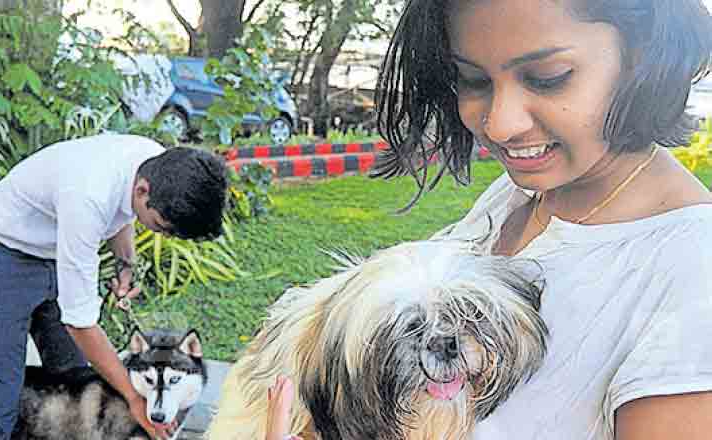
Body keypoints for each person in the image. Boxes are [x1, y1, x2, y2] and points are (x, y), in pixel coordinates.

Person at [266, 0, 712, 439]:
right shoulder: (522, 194)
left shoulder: (693, 271)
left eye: (547, 78)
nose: (500, 125)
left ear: (642, 58)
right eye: (473, 80)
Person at [0, 133, 228, 440]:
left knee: (74, 384)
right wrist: (133, 397)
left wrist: (126, 261)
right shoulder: (87, 197)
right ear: (143, 190)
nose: (162, 236)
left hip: (53, 248)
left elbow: (125, 212)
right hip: (2, 255)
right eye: (160, 227)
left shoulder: (154, 163)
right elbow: (81, 323)